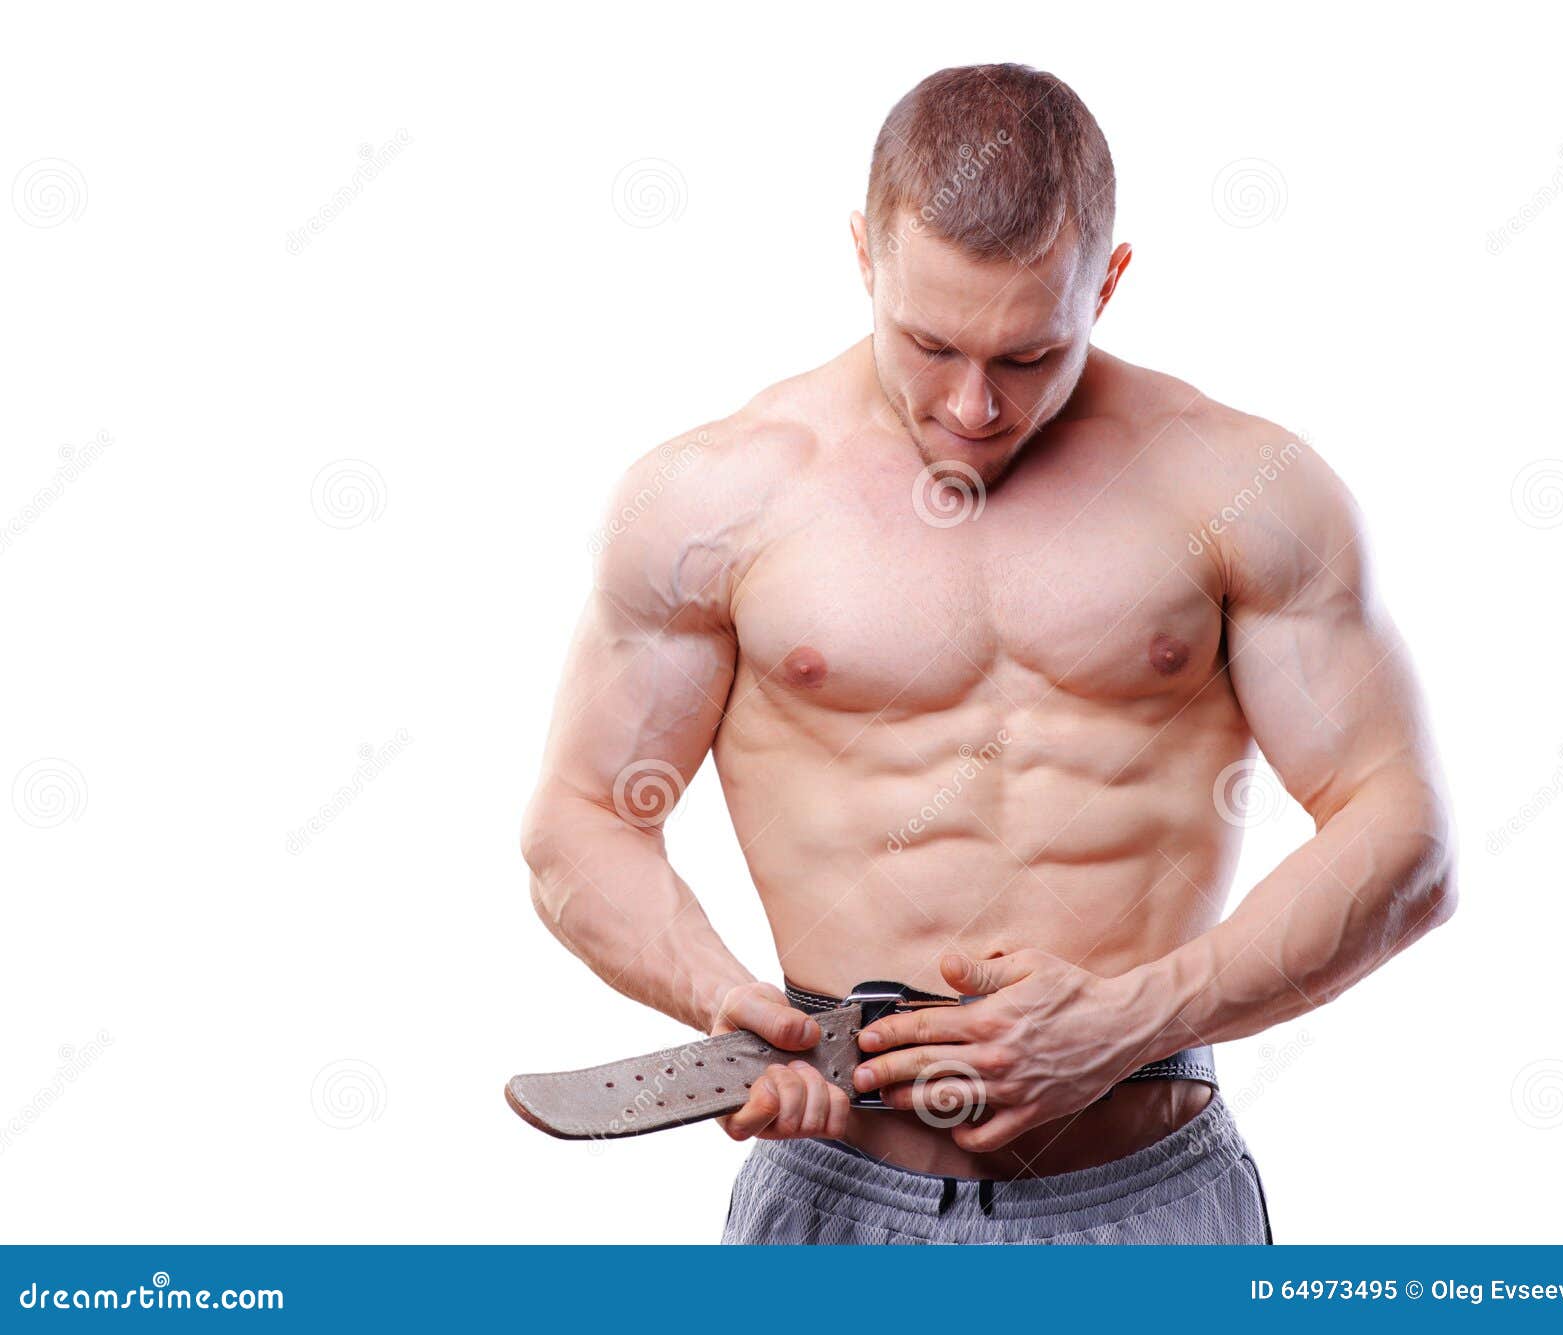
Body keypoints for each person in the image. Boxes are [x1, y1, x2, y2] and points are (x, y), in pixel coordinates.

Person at [519, 62, 1456, 1244]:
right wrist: (733, 1002)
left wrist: (1130, 1019)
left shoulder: (1242, 487)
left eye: (1027, 357)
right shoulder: (715, 495)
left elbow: (1402, 835)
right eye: (929, 344)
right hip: (835, 1200)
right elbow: (578, 822)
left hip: (1148, 1198)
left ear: (1107, 284)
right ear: (863, 254)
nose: (971, 407)